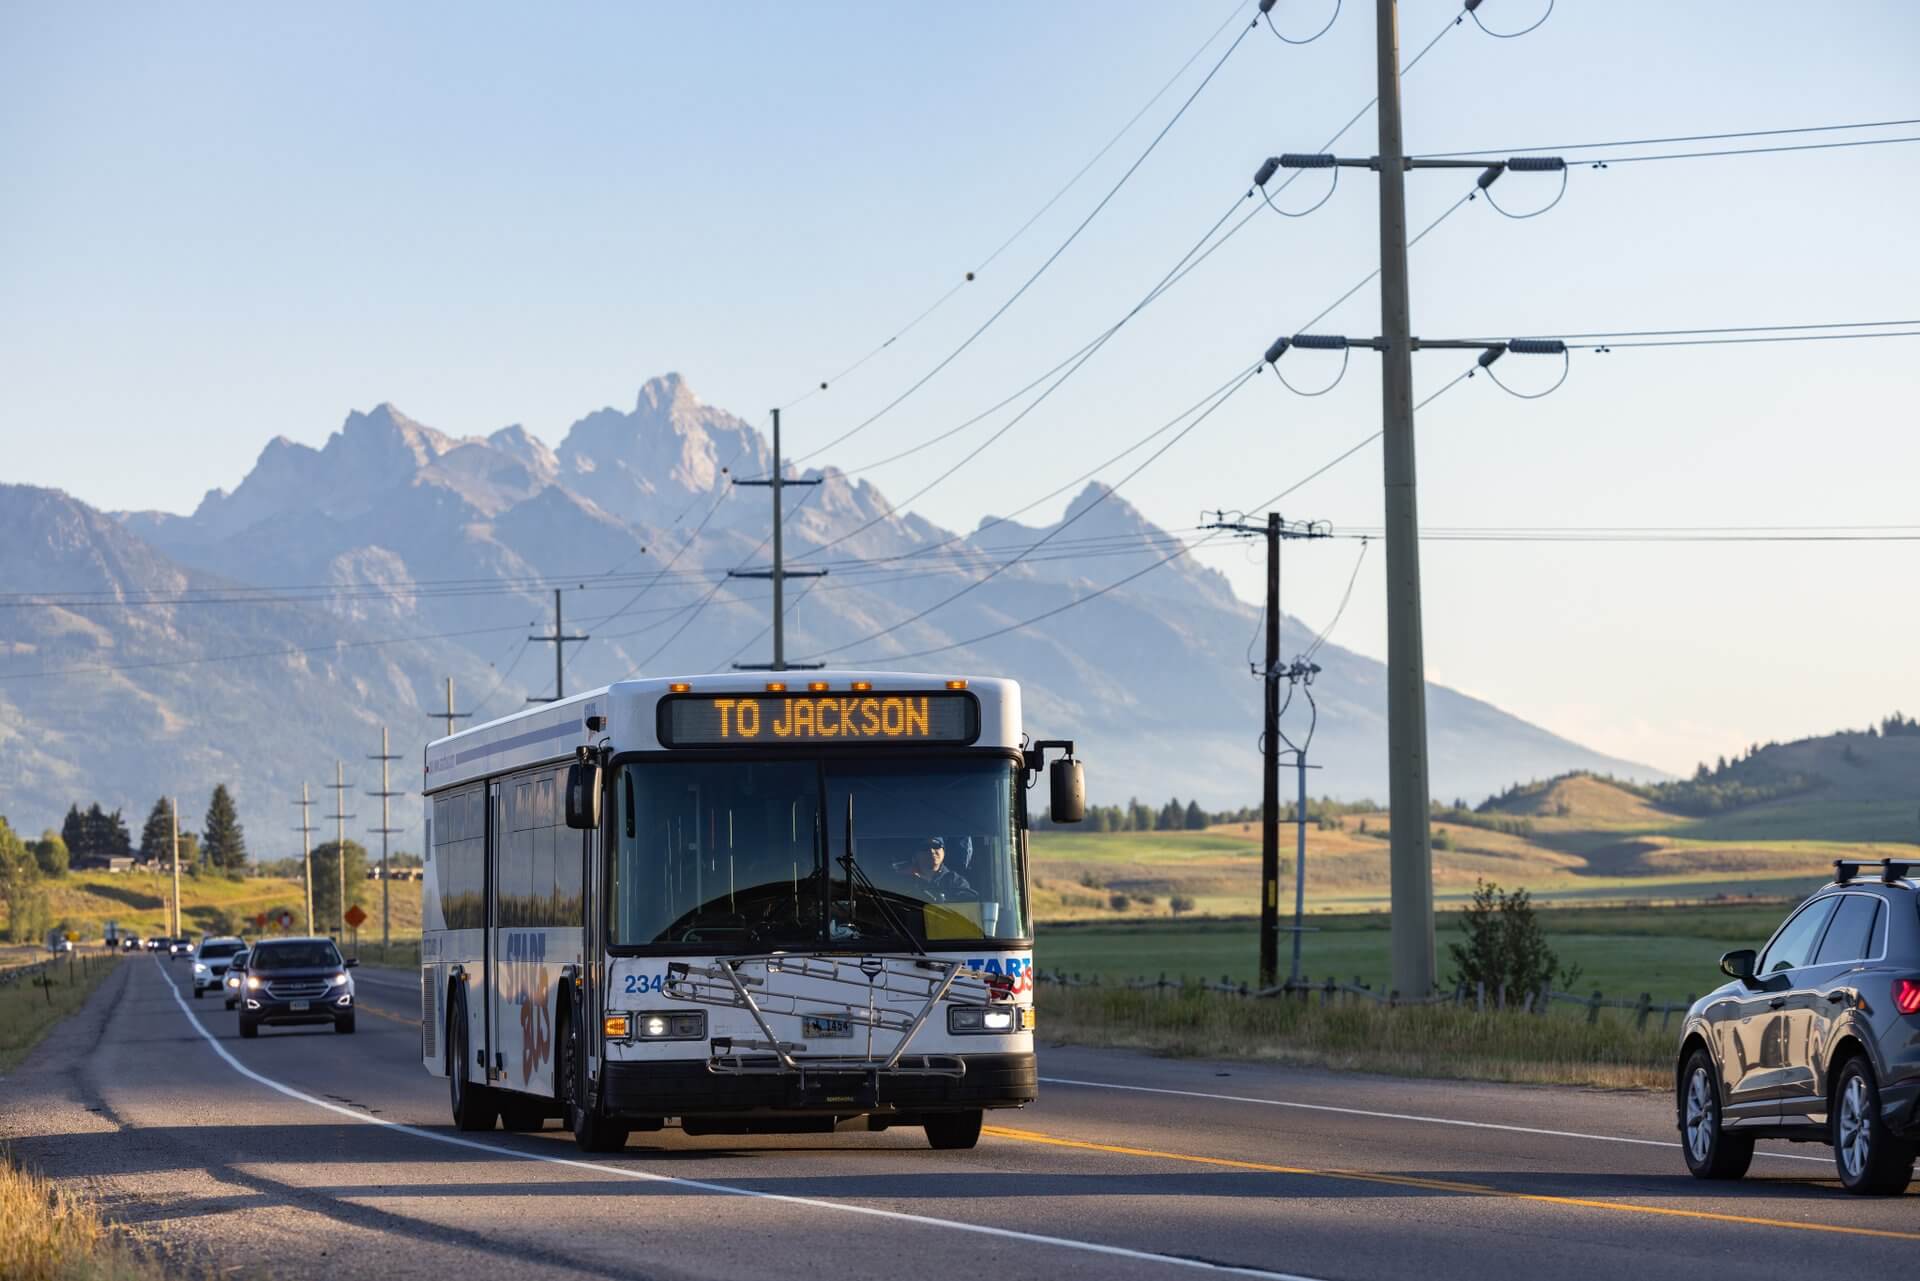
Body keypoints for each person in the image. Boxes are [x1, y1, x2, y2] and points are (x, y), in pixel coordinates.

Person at [895, 836, 973, 902]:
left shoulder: (956, 882)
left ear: (944, 852)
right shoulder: (901, 880)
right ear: (915, 855)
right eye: (925, 847)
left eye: (936, 846)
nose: (932, 851)